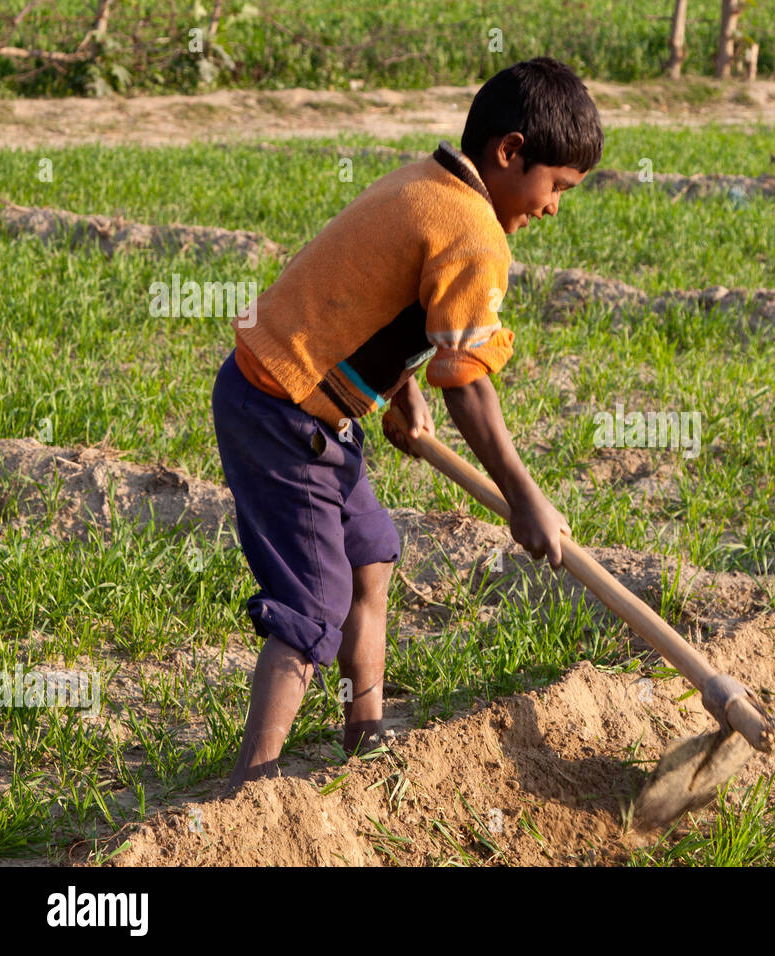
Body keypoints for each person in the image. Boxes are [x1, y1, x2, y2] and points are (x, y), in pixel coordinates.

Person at [210, 56, 603, 792]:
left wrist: (395, 388)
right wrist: (524, 496)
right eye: (557, 187)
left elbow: (375, 298)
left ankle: (366, 729)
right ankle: (249, 789)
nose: (553, 208)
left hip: (301, 404)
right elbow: (470, 386)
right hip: (282, 415)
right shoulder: (477, 236)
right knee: (313, 604)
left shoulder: (429, 182)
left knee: (373, 555)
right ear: (510, 152)